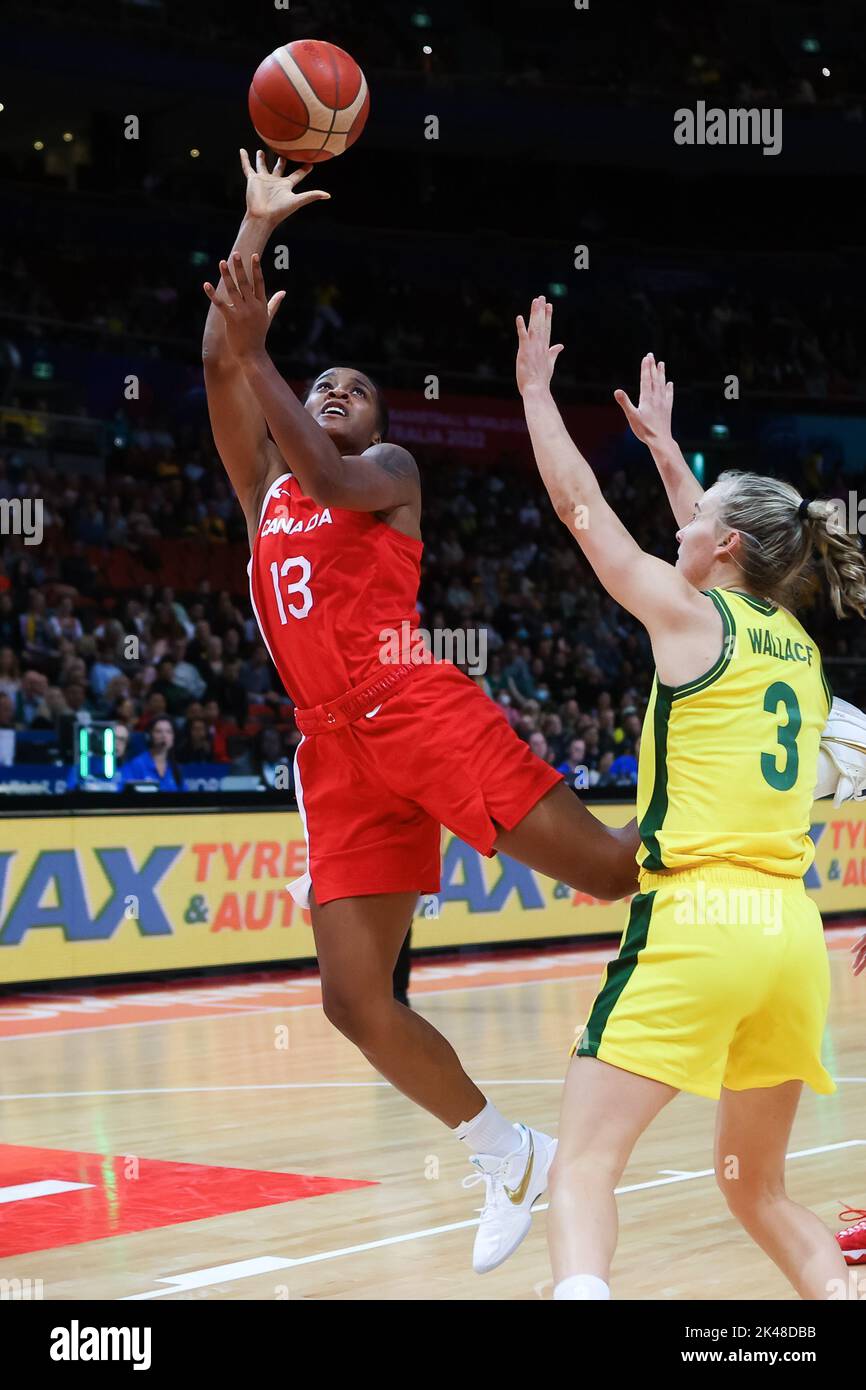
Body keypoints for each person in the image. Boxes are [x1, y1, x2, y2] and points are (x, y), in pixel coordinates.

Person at [201, 150, 639, 1275]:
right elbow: (218, 361)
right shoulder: (265, 499)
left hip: (412, 700)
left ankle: (759, 783)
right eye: (322, 380)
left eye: (350, 387)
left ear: (378, 422)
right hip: (330, 747)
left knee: (604, 873)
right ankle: (508, 1152)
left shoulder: (383, 472)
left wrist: (267, 368)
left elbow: (313, 448)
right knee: (353, 997)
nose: (332, 392)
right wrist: (253, 236)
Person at [515, 297, 866, 1301]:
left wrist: (539, 398)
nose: (684, 528)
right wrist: (671, 457)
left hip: (698, 921)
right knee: (756, 1191)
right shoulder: (793, 654)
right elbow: (707, 543)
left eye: (697, 519)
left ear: (721, 550)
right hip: (786, 940)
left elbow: (582, 511)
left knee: (581, 1166)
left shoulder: (682, 616)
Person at [120, 716, 185, 791]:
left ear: (174, 737)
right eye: (158, 731)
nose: (164, 735)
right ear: (150, 736)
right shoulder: (137, 764)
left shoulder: (176, 768)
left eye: (169, 731)